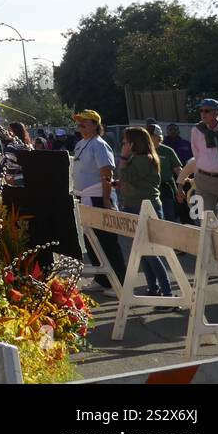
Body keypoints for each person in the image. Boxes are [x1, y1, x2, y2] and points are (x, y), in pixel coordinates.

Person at [71, 109, 126, 288]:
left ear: (95, 125)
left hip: (97, 197)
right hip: (84, 198)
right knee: (91, 242)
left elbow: (106, 173)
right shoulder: (80, 144)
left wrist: (106, 200)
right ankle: (101, 279)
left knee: (107, 242)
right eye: (79, 121)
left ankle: (118, 281)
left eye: (85, 121)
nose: (80, 124)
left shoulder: (99, 144)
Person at [116, 127, 173, 296]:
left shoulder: (142, 159)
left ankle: (167, 291)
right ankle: (153, 288)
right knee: (144, 252)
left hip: (144, 208)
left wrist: (124, 157)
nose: (123, 145)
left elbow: (126, 175)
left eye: (126, 142)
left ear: (135, 143)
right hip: (138, 205)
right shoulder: (140, 158)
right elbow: (132, 179)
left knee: (149, 253)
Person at [176, 99, 218, 221]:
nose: (203, 113)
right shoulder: (197, 130)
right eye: (201, 110)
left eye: (207, 110)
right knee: (207, 218)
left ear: (217, 112)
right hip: (204, 181)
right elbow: (197, 155)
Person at [145, 121, 182, 225]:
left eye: (152, 135)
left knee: (170, 216)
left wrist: (181, 188)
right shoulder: (142, 152)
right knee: (152, 217)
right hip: (149, 188)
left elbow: (178, 170)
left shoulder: (167, 151)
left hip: (166, 188)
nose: (149, 137)